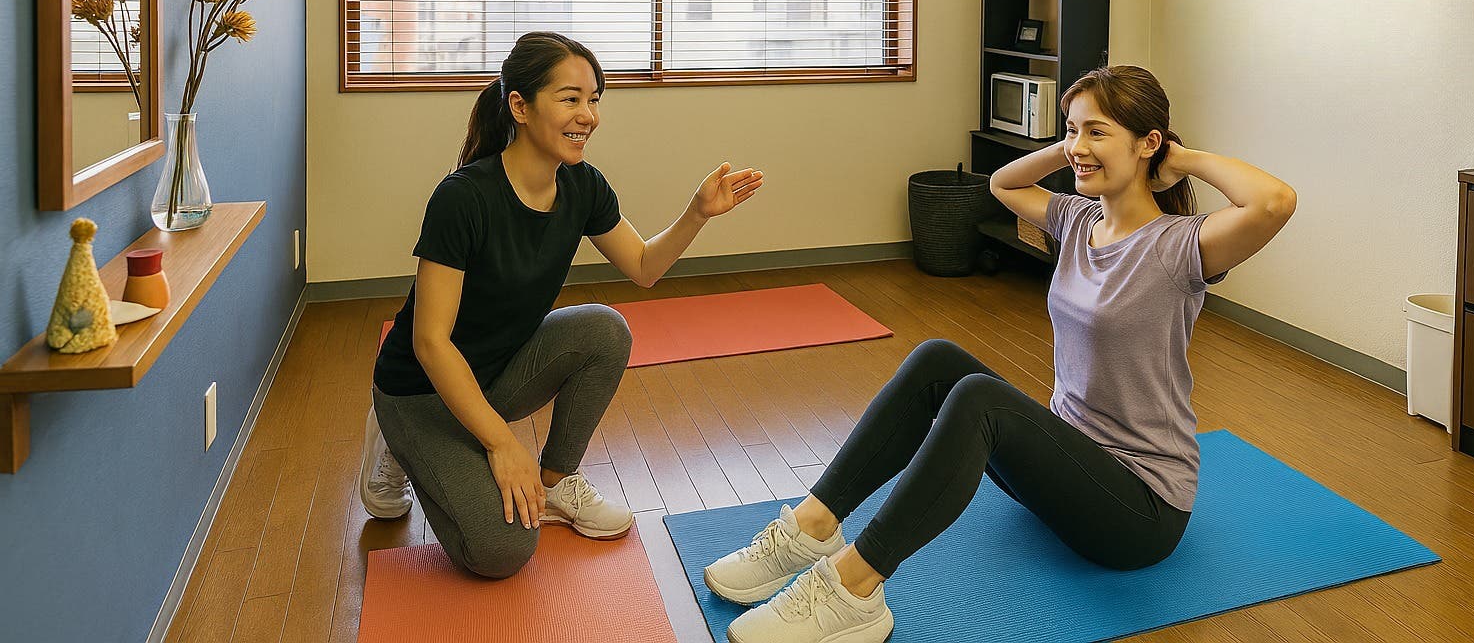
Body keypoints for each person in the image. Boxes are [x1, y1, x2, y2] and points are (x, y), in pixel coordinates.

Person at [703, 65, 1296, 643]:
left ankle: (853, 592)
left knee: (981, 400)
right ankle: (813, 527)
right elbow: (1002, 183)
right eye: (1071, 129)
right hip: (1072, 460)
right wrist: (1074, 150)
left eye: (1097, 131)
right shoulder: (1076, 219)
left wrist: (1179, 159)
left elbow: (1274, 202)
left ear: (1148, 143)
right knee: (939, 360)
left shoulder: (1181, 245)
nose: (1078, 146)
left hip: (1140, 507)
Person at [358, 31, 764, 579]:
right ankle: (398, 445)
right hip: (421, 393)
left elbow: (643, 268)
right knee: (502, 552)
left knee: (605, 329)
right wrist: (502, 445)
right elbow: (430, 344)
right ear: (520, 107)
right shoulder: (463, 198)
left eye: (594, 99)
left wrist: (696, 212)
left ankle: (555, 483)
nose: (588, 115)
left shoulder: (582, 186)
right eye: (570, 99)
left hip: (492, 379)